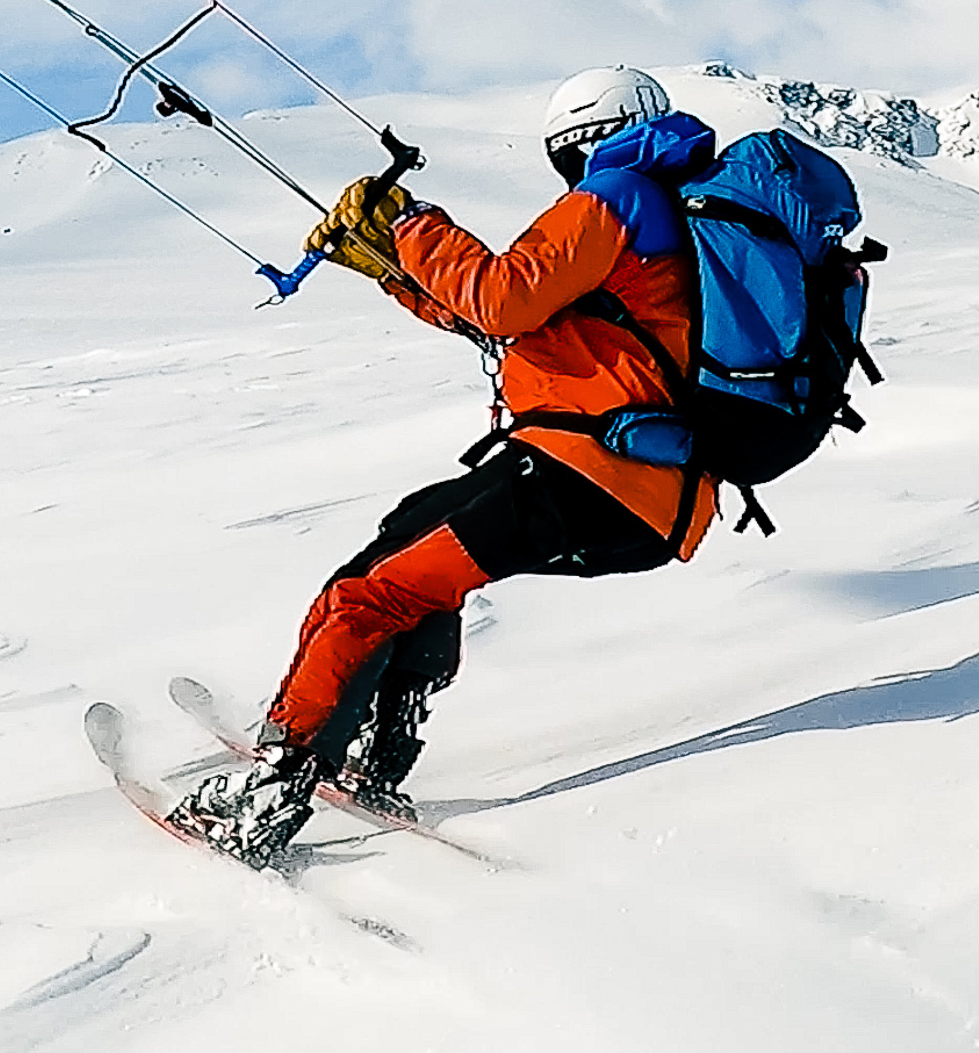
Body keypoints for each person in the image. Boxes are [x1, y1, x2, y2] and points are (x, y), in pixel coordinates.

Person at [167, 64, 724, 862]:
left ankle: (267, 794)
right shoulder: (679, 216)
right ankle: (380, 756)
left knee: (369, 593)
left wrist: (413, 223)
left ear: (579, 145)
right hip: (639, 491)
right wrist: (400, 271)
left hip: (584, 473)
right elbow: (512, 323)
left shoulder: (621, 195)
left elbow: (503, 295)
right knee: (408, 535)